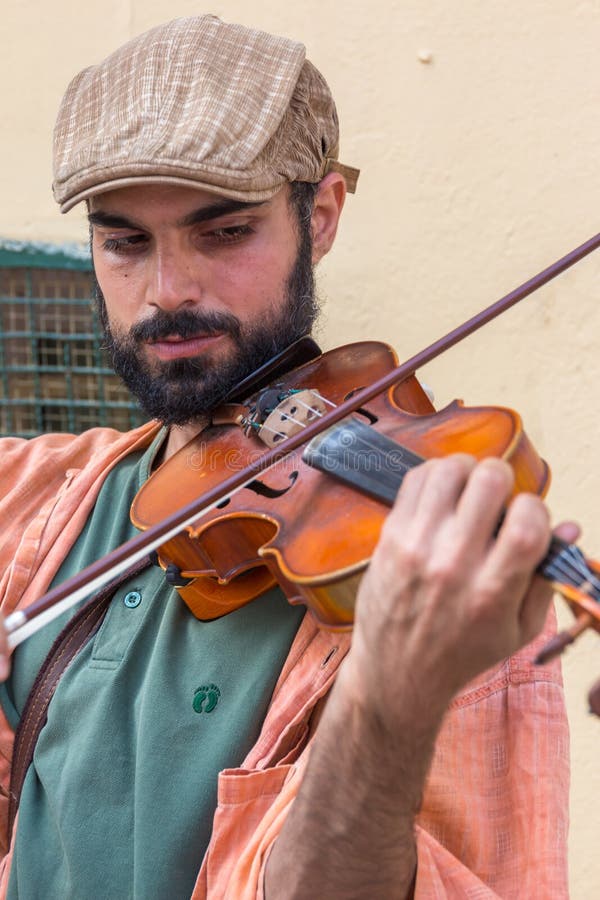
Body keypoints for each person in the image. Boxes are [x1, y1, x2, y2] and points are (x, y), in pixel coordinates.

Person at [0, 14, 572, 899]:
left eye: (224, 232)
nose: (167, 290)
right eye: (124, 241)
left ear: (324, 213)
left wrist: (387, 707)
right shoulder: (42, 502)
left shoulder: (439, 583)